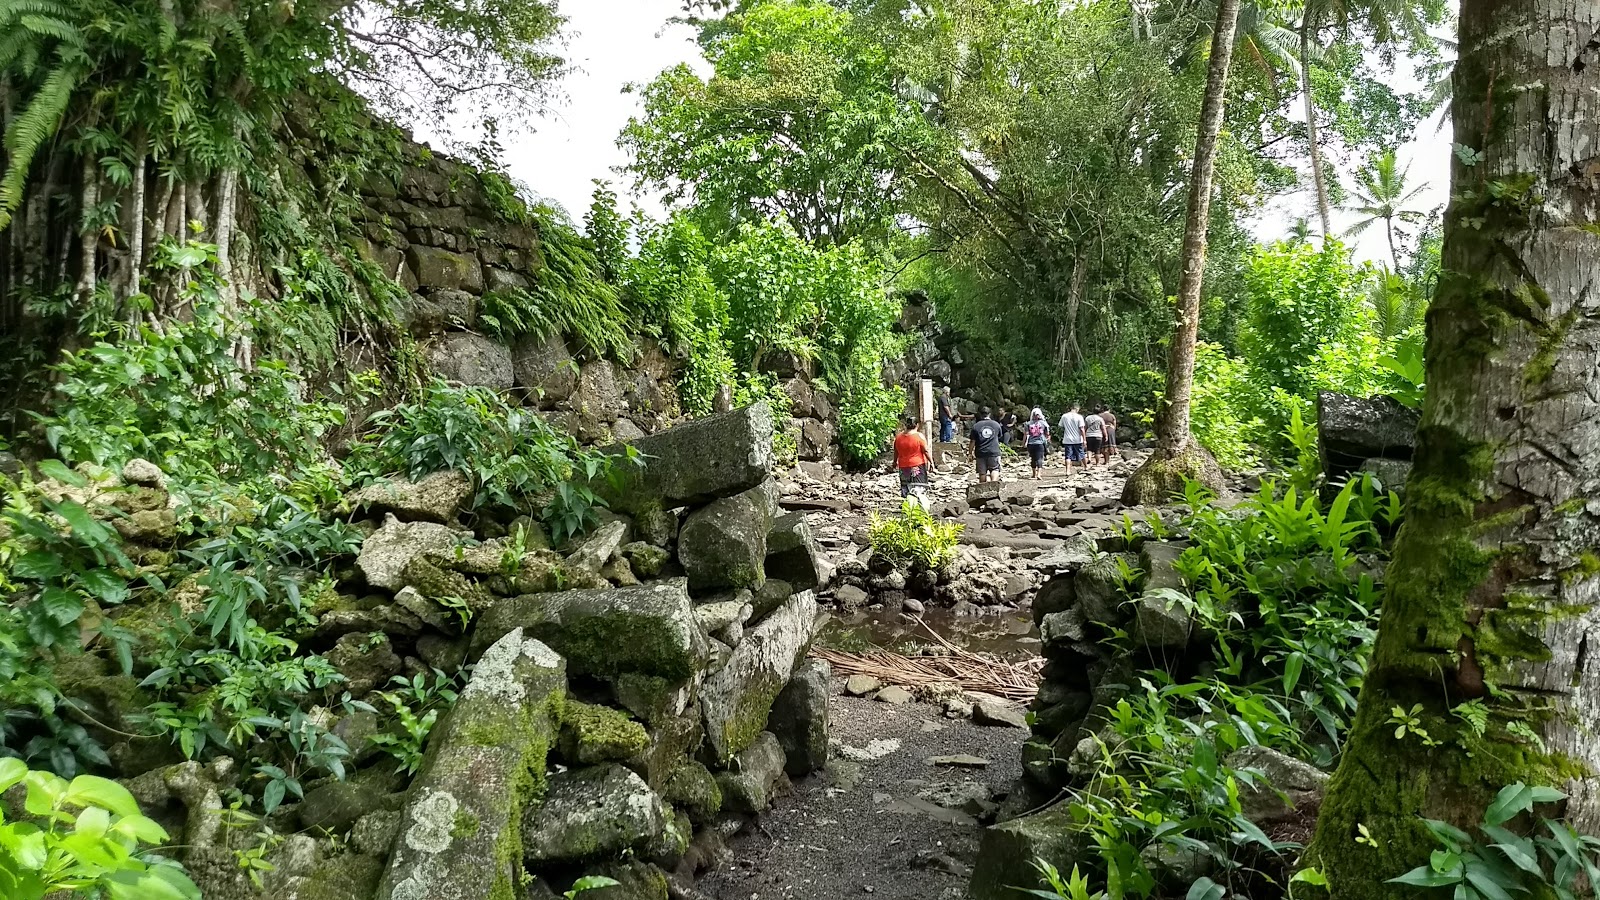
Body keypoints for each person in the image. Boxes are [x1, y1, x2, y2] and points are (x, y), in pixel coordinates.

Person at [893, 415, 931, 499]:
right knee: (919, 486)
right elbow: (925, 451)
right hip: (917, 465)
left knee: (905, 486)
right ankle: (917, 505)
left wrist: (894, 462)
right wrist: (931, 462)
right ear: (917, 425)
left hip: (903, 466)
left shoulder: (898, 437)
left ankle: (906, 505)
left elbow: (896, 451)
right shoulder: (919, 436)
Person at [970, 407, 1003, 483]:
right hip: (994, 451)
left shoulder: (976, 426)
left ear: (980, 415)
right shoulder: (996, 424)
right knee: (995, 469)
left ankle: (983, 491)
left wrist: (970, 453)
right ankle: (994, 484)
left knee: (982, 473)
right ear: (990, 414)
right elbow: (999, 437)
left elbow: (972, 441)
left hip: (980, 452)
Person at [1058, 404, 1086, 475]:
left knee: (1068, 456)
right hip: (1077, 439)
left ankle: (1068, 471)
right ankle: (1085, 466)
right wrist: (1085, 439)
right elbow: (1082, 429)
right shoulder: (1079, 417)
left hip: (1067, 439)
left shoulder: (1064, 416)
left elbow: (1060, 426)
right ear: (1077, 409)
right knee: (1081, 453)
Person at [1024, 408, 1051, 480]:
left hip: (1031, 443)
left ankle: (1033, 474)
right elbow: (1047, 434)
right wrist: (1048, 440)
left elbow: (1026, 434)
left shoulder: (1028, 424)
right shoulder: (1043, 423)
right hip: (1040, 443)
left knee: (1033, 458)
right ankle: (1039, 474)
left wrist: (1023, 443)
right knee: (1039, 458)